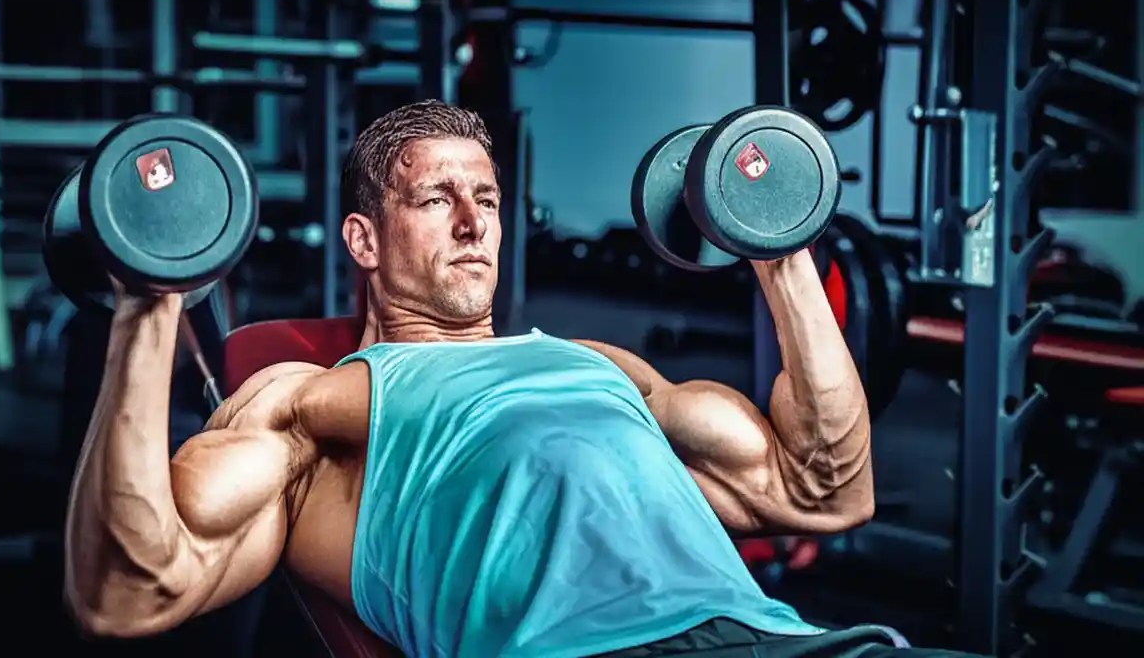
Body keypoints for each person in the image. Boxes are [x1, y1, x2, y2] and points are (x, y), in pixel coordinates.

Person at [63, 100, 974, 657]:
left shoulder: (602, 368)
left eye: (488, 200)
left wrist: (779, 251)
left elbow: (829, 490)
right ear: (364, 242)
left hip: (793, 643)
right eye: (434, 199)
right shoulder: (308, 401)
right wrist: (150, 300)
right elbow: (132, 588)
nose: (473, 222)